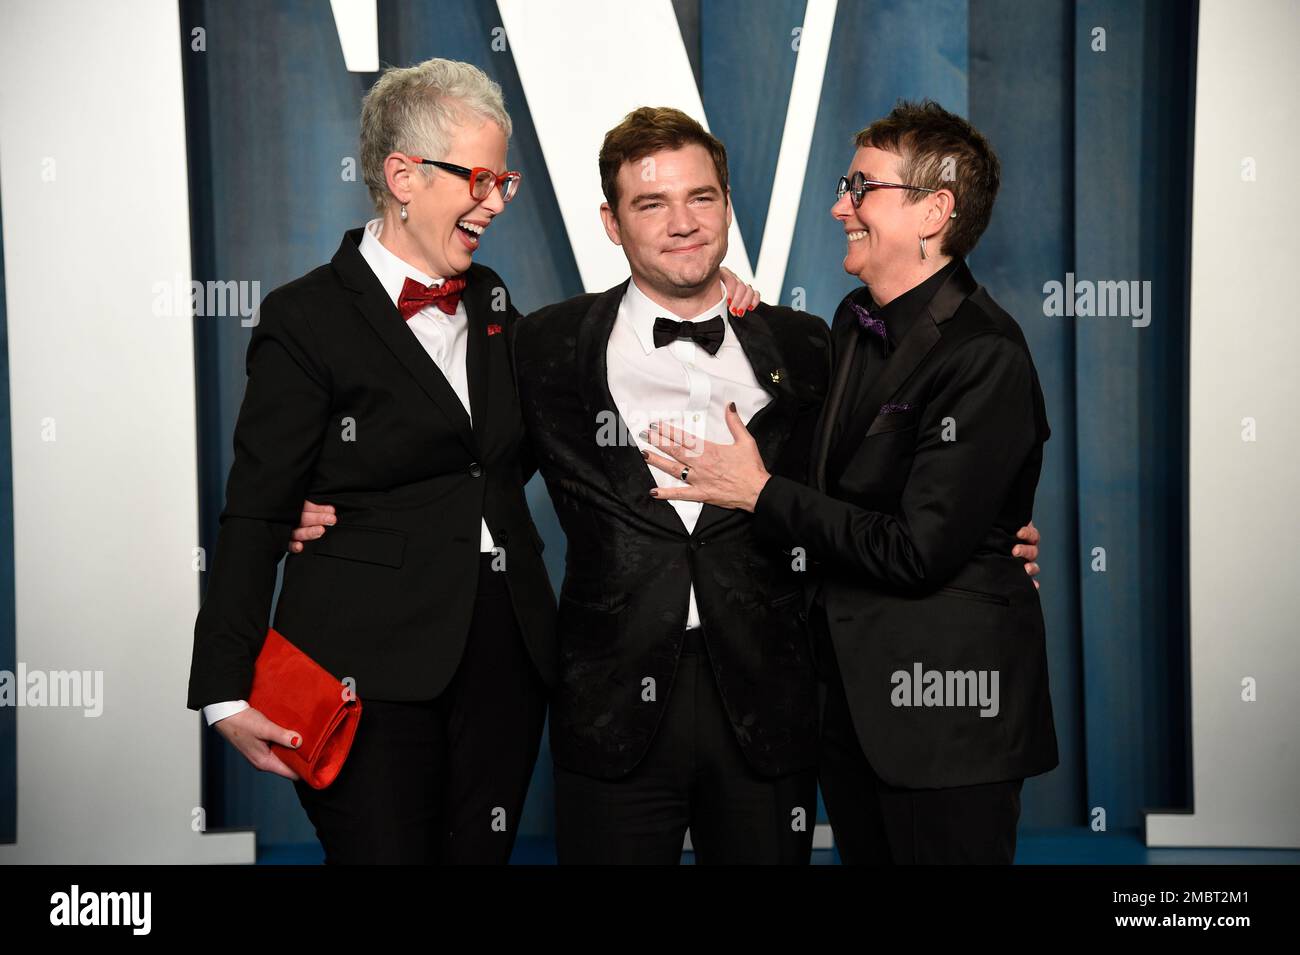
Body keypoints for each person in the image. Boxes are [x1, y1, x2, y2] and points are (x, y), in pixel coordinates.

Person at [642, 100, 1059, 864]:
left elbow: (917, 551)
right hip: (852, 712)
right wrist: (729, 303)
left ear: (933, 211)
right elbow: (834, 479)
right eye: (845, 185)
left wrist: (758, 492)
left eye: (862, 188)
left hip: (945, 721)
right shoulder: (853, 318)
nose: (840, 207)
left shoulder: (985, 355)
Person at [186, 58, 560, 864]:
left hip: (504, 655)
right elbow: (256, 507)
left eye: (506, 181)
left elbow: (507, 453)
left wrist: (715, 296)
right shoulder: (305, 316)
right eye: (481, 180)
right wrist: (222, 686)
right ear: (403, 177)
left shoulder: (493, 299)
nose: (498, 202)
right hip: (363, 666)